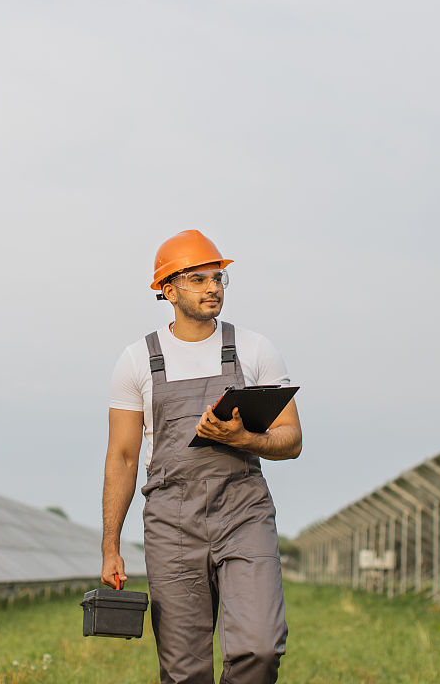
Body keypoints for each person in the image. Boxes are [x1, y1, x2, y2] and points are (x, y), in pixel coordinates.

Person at [101, 229, 303, 684]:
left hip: (243, 512)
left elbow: (291, 440)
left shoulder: (254, 350)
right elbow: (123, 457)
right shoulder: (137, 361)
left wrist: (244, 439)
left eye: (218, 278)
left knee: (261, 646)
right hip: (172, 521)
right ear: (168, 290)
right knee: (183, 669)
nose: (213, 287)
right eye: (198, 279)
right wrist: (110, 545)